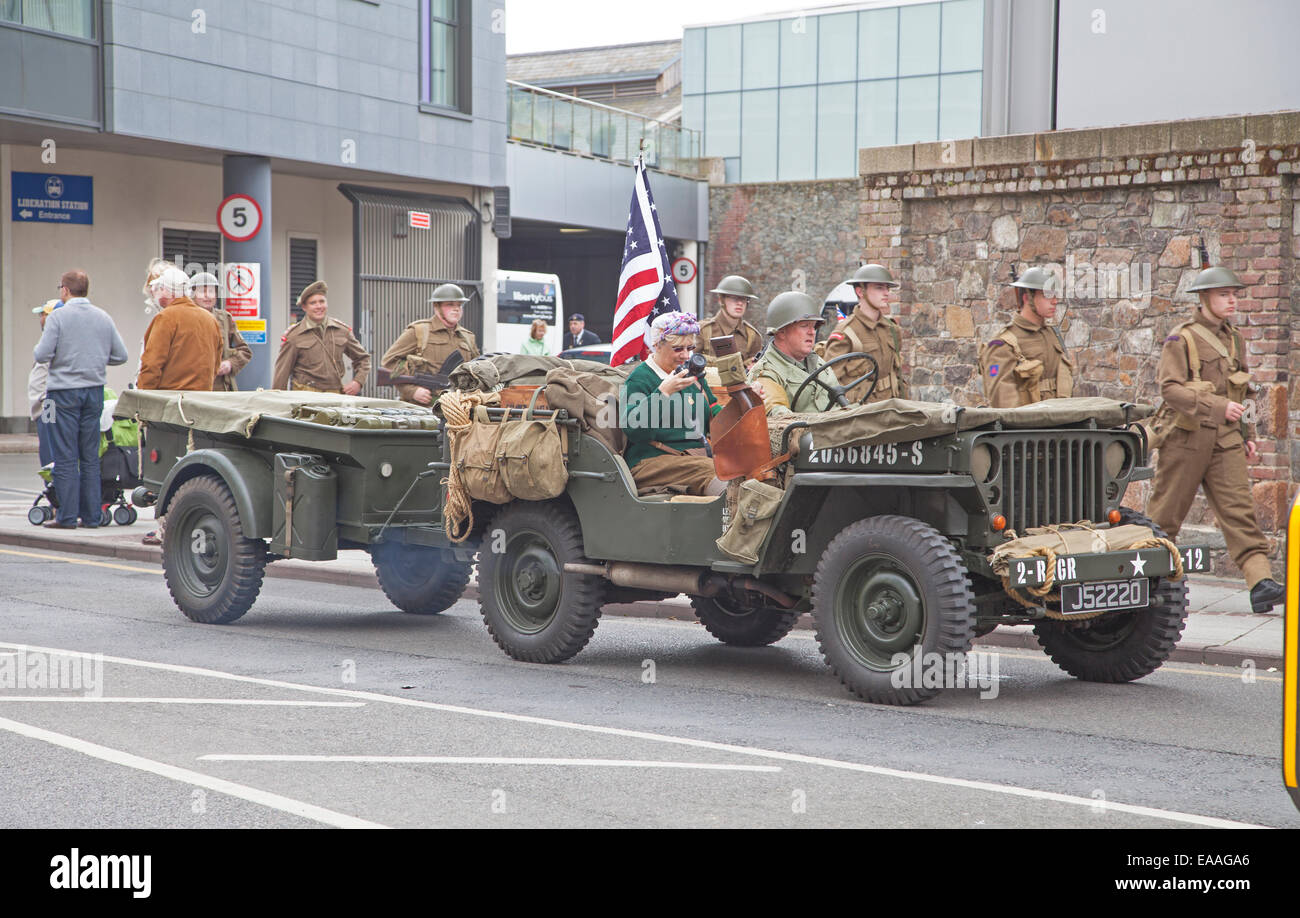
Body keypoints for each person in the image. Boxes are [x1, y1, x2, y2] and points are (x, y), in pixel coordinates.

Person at [1146, 265, 1284, 613]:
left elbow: (1244, 389)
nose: (1232, 300)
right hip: (1185, 439)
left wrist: (1247, 433)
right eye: (1224, 294)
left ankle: (1260, 583)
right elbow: (1170, 389)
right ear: (1205, 298)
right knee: (1165, 516)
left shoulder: (1235, 339)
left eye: (1234, 294)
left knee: (1240, 512)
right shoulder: (1182, 338)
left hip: (1226, 442)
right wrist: (1218, 406)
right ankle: (1146, 584)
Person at [32, 270, 129, 529]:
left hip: (61, 394)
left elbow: (42, 354)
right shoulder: (103, 317)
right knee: (89, 455)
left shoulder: (58, 317)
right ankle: (92, 517)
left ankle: (66, 517)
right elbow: (121, 356)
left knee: (64, 455)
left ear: (65, 290)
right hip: (94, 392)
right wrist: (94, 358)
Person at [620, 312, 725, 497]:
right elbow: (635, 430)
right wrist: (663, 393)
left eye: (690, 348)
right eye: (678, 349)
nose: (686, 355)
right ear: (657, 346)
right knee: (718, 473)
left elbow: (714, 414)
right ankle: (730, 522)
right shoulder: (640, 378)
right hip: (650, 461)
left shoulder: (693, 376)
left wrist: (745, 400)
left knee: (743, 468)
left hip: (692, 458)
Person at [979, 266, 1075, 407]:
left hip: (1061, 421)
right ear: (1027, 298)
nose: (1054, 301)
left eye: (1055, 295)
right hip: (1028, 427)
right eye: (1047, 295)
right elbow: (1004, 404)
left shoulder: (1053, 335)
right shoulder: (1002, 344)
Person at [818, 264, 908, 404]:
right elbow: (828, 382)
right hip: (862, 414)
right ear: (860, 292)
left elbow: (898, 375)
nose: (886, 293)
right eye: (879, 287)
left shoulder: (891, 329)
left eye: (887, 288)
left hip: (892, 409)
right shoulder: (846, 332)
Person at [380, 283, 478, 405]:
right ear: (436, 307)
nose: (456, 309)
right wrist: (412, 391)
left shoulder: (468, 337)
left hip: (457, 407)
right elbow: (389, 362)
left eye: (459, 305)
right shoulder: (419, 331)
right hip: (423, 406)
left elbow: (477, 371)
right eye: (450, 304)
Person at [273, 280, 371, 394]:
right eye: (313, 303)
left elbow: (363, 359)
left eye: (322, 301)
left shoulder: (342, 331)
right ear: (304, 307)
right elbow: (282, 373)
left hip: (335, 396)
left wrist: (358, 382)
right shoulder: (294, 336)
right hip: (305, 396)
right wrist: (278, 401)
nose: (319, 306)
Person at [138, 265, 223, 391]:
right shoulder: (210, 319)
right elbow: (215, 364)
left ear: (166, 291)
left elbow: (151, 365)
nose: (155, 294)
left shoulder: (166, 317)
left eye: (158, 289)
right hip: (202, 399)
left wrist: (143, 397)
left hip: (171, 399)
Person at [747, 292, 833, 417]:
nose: (812, 332)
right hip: (805, 434)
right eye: (804, 326)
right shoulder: (765, 373)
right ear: (781, 332)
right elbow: (778, 415)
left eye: (814, 327)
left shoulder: (820, 365)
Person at [188, 271, 251, 391]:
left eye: (211, 291)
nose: (207, 296)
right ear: (193, 294)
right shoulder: (184, 318)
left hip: (219, 387)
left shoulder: (225, 319)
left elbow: (245, 351)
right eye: (202, 291)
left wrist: (230, 364)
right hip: (191, 386)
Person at [697, 275, 763, 366]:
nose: (740, 303)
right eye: (734, 298)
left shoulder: (752, 335)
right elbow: (688, 362)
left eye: (744, 299)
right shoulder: (703, 330)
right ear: (721, 300)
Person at [28, 299, 62, 467]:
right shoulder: (48, 339)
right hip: (44, 403)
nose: (40, 318)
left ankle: (53, 487)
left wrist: (42, 401)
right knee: (47, 449)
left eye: (43, 314)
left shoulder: (55, 340)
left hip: (48, 403)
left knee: (50, 454)